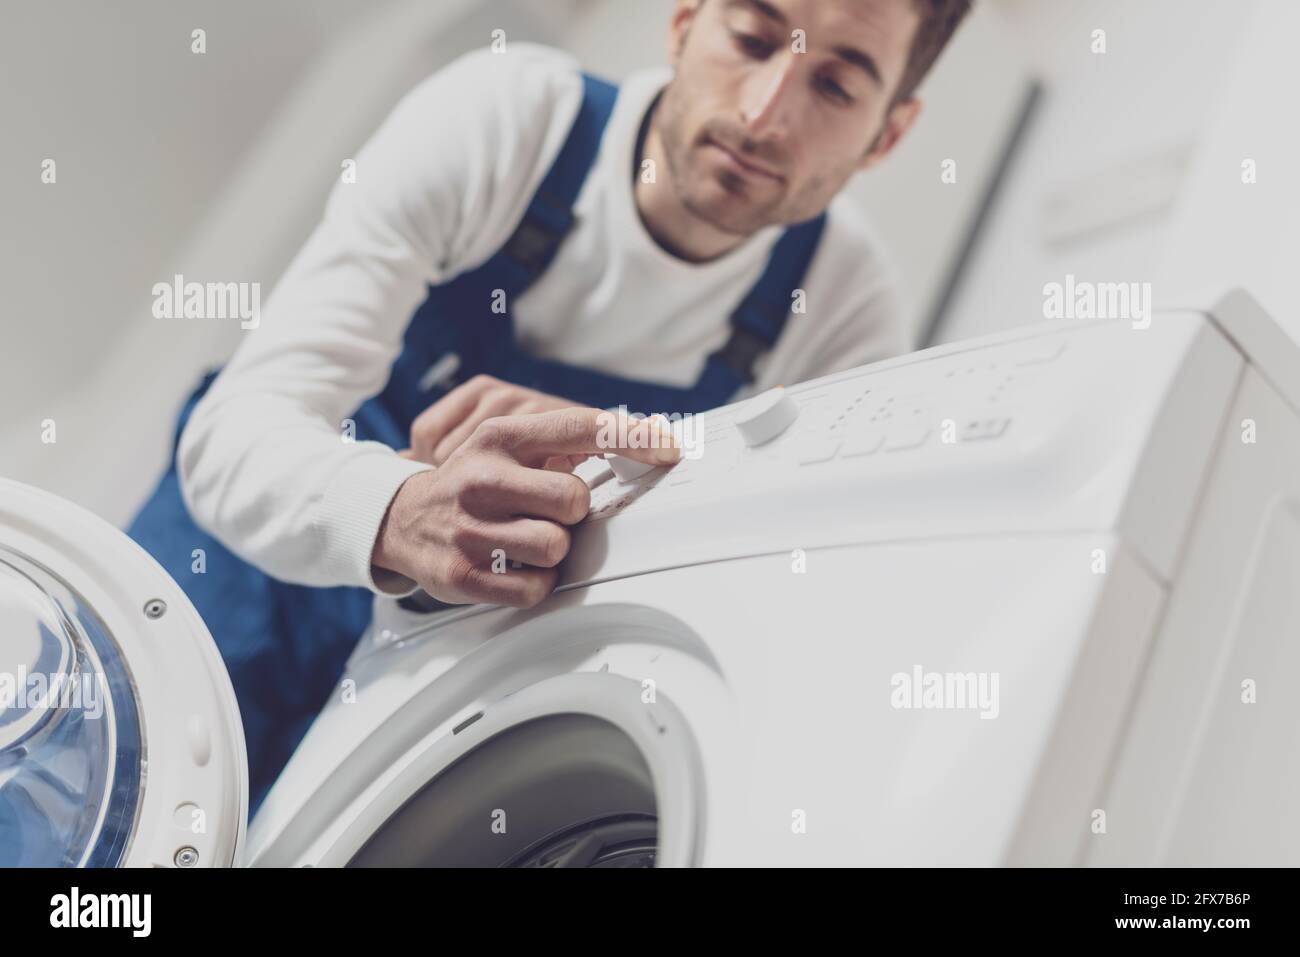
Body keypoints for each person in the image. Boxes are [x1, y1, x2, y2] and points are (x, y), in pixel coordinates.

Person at [129, 0, 973, 812]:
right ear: (684, 21)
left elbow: (802, 579)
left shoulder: (841, 307)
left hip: (460, 662)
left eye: (835, 86)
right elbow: (236, 429)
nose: (764, 114)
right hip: (235, 583)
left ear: (888, 133)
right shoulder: (507, 119)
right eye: (753, 38)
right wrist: (395, 510)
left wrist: (647, 466)